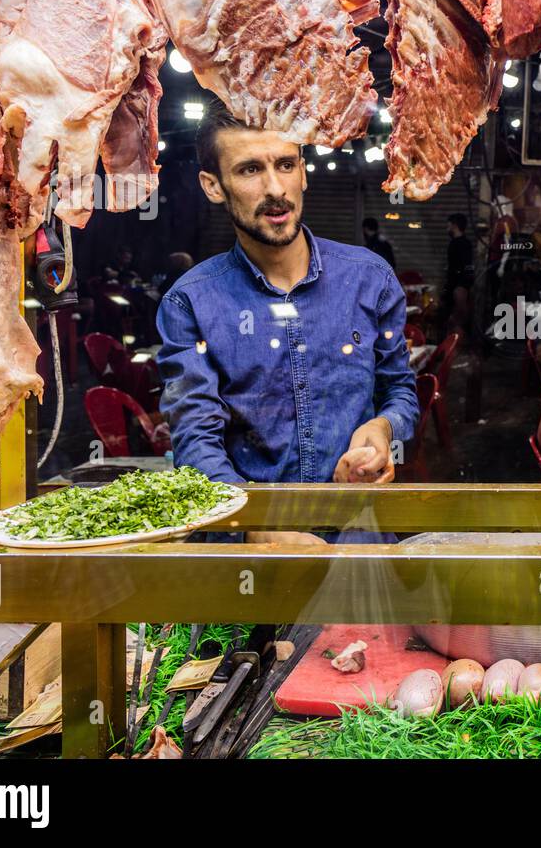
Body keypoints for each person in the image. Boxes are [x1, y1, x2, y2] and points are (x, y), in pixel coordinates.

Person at [155, 99, 419, 544]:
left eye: (285, 164)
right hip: (250, 559)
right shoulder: (191, 302)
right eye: (249, 170)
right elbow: (195, 439)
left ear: (303, 171)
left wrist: (383, 427)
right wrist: (257, 531)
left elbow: (400, 390)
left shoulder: (369, 279)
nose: (275, 188)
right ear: (213, 185)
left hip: (357, 542)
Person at [443, 212, 475, 334]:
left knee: (457, 321)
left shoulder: (462, 244)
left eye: (449, 225)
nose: (447, 228)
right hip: (454, 287)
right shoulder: (457, 243)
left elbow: (466, 267)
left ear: (455, 226)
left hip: (458, 288)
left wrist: (461, 287)